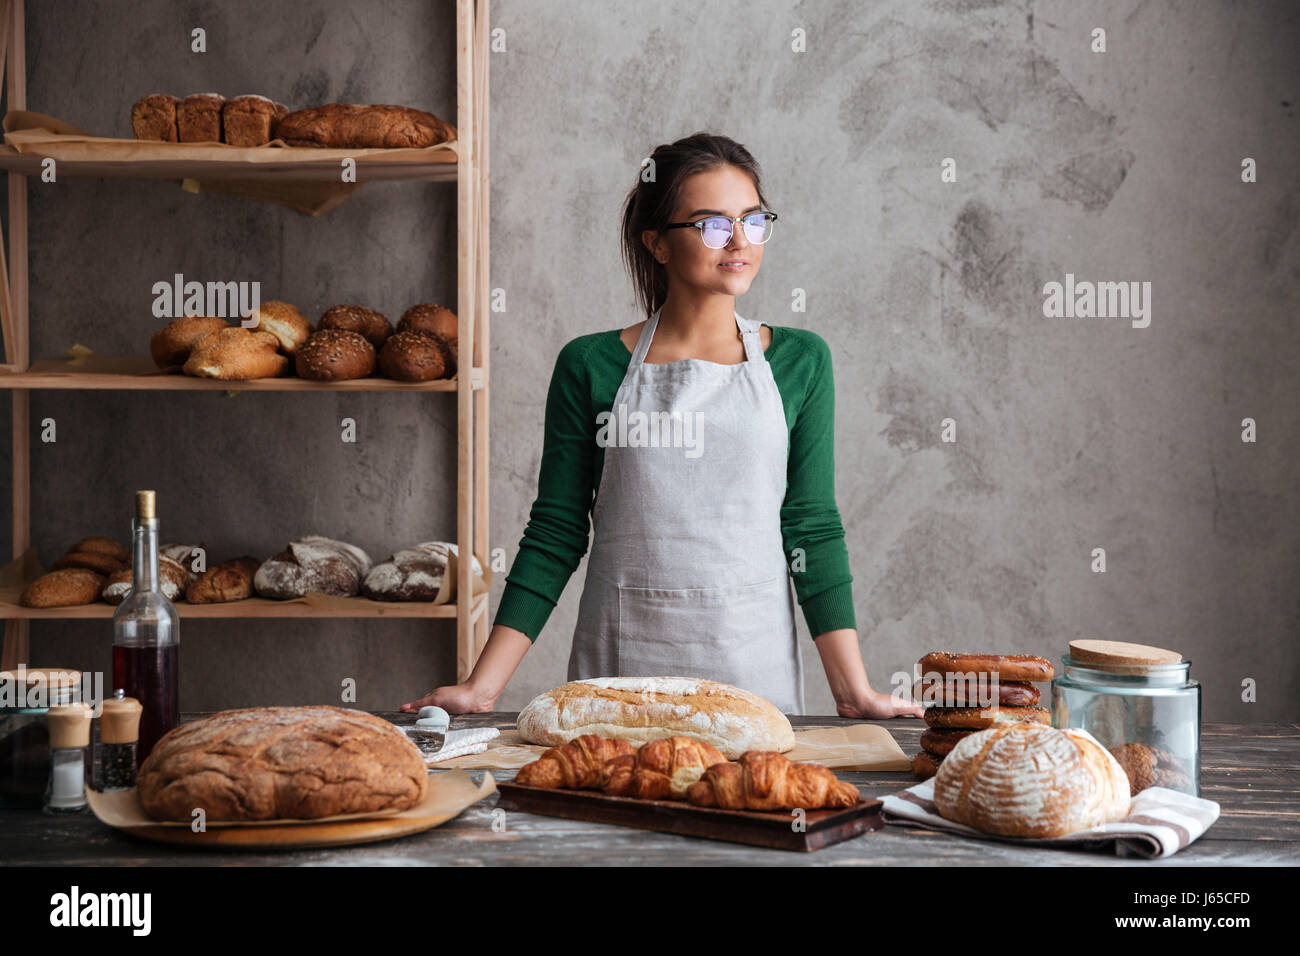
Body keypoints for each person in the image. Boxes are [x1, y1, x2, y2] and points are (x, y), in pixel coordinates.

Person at [402, 131, 921, 719]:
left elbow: (811, 528)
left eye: (752, 220)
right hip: (622, 671)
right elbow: (557, 531)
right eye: (712, 225)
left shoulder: (801, 361)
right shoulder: (590, 364)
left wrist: (853, 692)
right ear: (658, 243)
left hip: (753, 673)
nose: (740, 242)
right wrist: (483, 688)